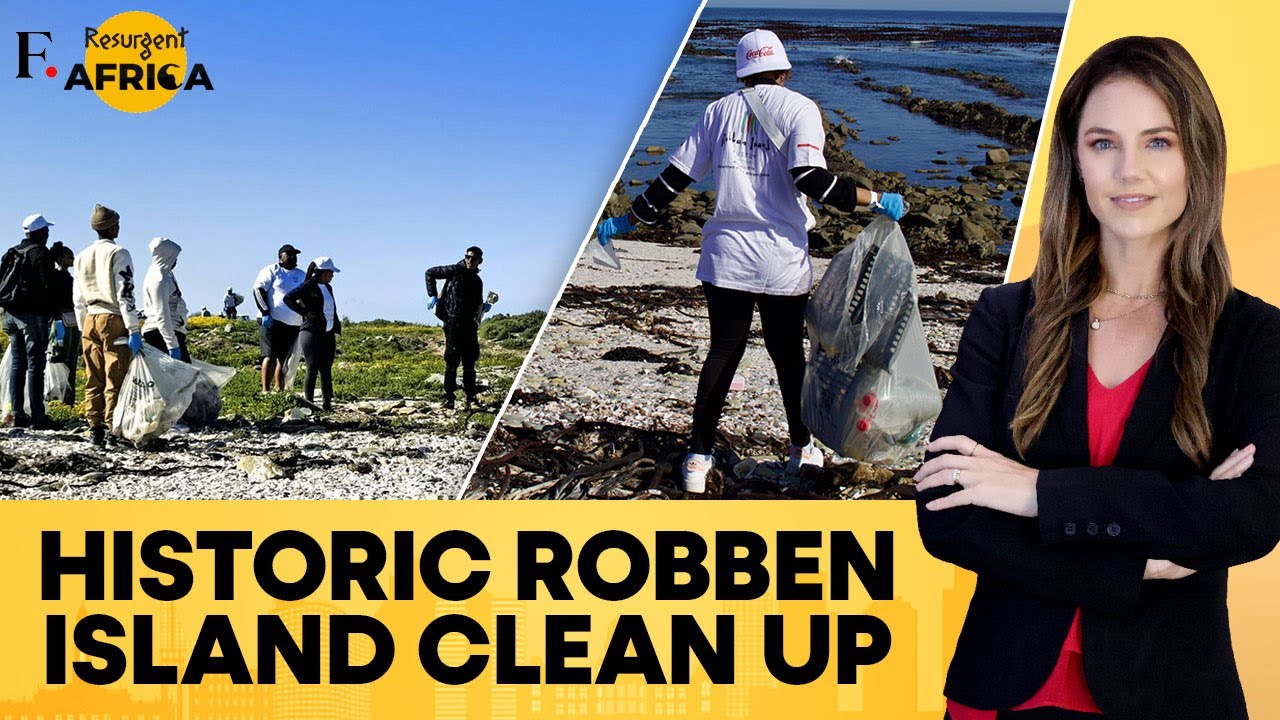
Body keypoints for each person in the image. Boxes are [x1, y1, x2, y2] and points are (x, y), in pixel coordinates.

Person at [914, 37, 1280, 720]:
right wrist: (1137, 559)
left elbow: (1254, 515)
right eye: (1104, 143)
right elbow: (947, 515)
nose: (1129, 171)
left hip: (1172, 693)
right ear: (1075, 160)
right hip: (1001, 693)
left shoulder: (1254, 336)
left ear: (1197, 156)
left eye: (1159, 142)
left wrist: (1036, 494)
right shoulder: (1005, 315)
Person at [595, 29, 906, 493]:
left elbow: (674, 177)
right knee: (787, 356)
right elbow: (811, 180)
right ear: (784, 70)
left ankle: (697, 461)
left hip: (726, 258)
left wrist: (628, 221)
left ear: (741, 71)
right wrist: (876, 198)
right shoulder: (800, 108)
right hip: (781, 259)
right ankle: (801, 448)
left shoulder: (717, 111)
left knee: (723, 352)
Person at [73, 204, 143, 447]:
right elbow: (125, 293)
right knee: (116, 374)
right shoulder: (119, 253)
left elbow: (77, 297)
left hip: (90, 317)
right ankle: (114, 429)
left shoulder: (81, 256)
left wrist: (84, 325)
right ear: (112, 226)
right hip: (113, 317)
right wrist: (133, 328)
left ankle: (95, 427)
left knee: (94, 375)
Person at [0, 214, 62, 429]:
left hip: (9, 314)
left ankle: (17, 414)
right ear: (42, 233)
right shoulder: (41, 253)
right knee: (36, 365)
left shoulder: (13, 251)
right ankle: (38, 416)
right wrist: (56, 314)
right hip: (32, 316)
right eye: (46, 231)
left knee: (18, 364)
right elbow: (47, 285)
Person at [425, 246, 490, 409]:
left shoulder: (477, 281)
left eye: (473, 258)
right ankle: (449, 398)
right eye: (467, 257)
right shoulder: (454, 270)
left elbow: (477, 302)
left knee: (470, 361)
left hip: (470, 324)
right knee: (452, 360)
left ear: (479, 261)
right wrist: (432, 294)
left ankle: (470, 397)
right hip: (453, 321)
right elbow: (430, 273)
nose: (469, 260)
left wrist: (484, 306)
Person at [284, 257, 342, 411]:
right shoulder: (308, 286)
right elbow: (288, 298)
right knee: (312, 367)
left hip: (327, 332)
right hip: (310, 331)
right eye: (330, 272)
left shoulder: (329, 288)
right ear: (321, 272)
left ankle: (327, 405)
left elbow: (331, 309)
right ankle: (309, 403)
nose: (332, 275)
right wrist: (304, 313)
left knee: (326, 368)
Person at [252, 244, 305, 392]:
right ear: (280, 257)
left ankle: (280, 389)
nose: (293, 257)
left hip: (293, 323)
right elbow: (258, 290)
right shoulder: (271, 270)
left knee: (284, 358)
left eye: (295, 254)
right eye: (289, 254)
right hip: (271, 321)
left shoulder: (301, 274)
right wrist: (265, 312)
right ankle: (265, 390)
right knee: (270, 355)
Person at [141, 237, 191, 363]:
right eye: (174, 257)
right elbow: (161, 314)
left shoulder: (166, 274)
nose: (176, 261)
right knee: (185, 378)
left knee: (181, 378)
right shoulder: (159, 279)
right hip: (161, 332)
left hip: (168, 331)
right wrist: (172, 345)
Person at [47, 242, 79, 406]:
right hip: (62, 321)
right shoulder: (57, 278)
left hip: (70, 319)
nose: (73, 259)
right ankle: (62, 400)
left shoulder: (69, 278)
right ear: (60, 259)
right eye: (69, 256)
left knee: (70, 360)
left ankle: (67, 401)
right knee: (63, 359)